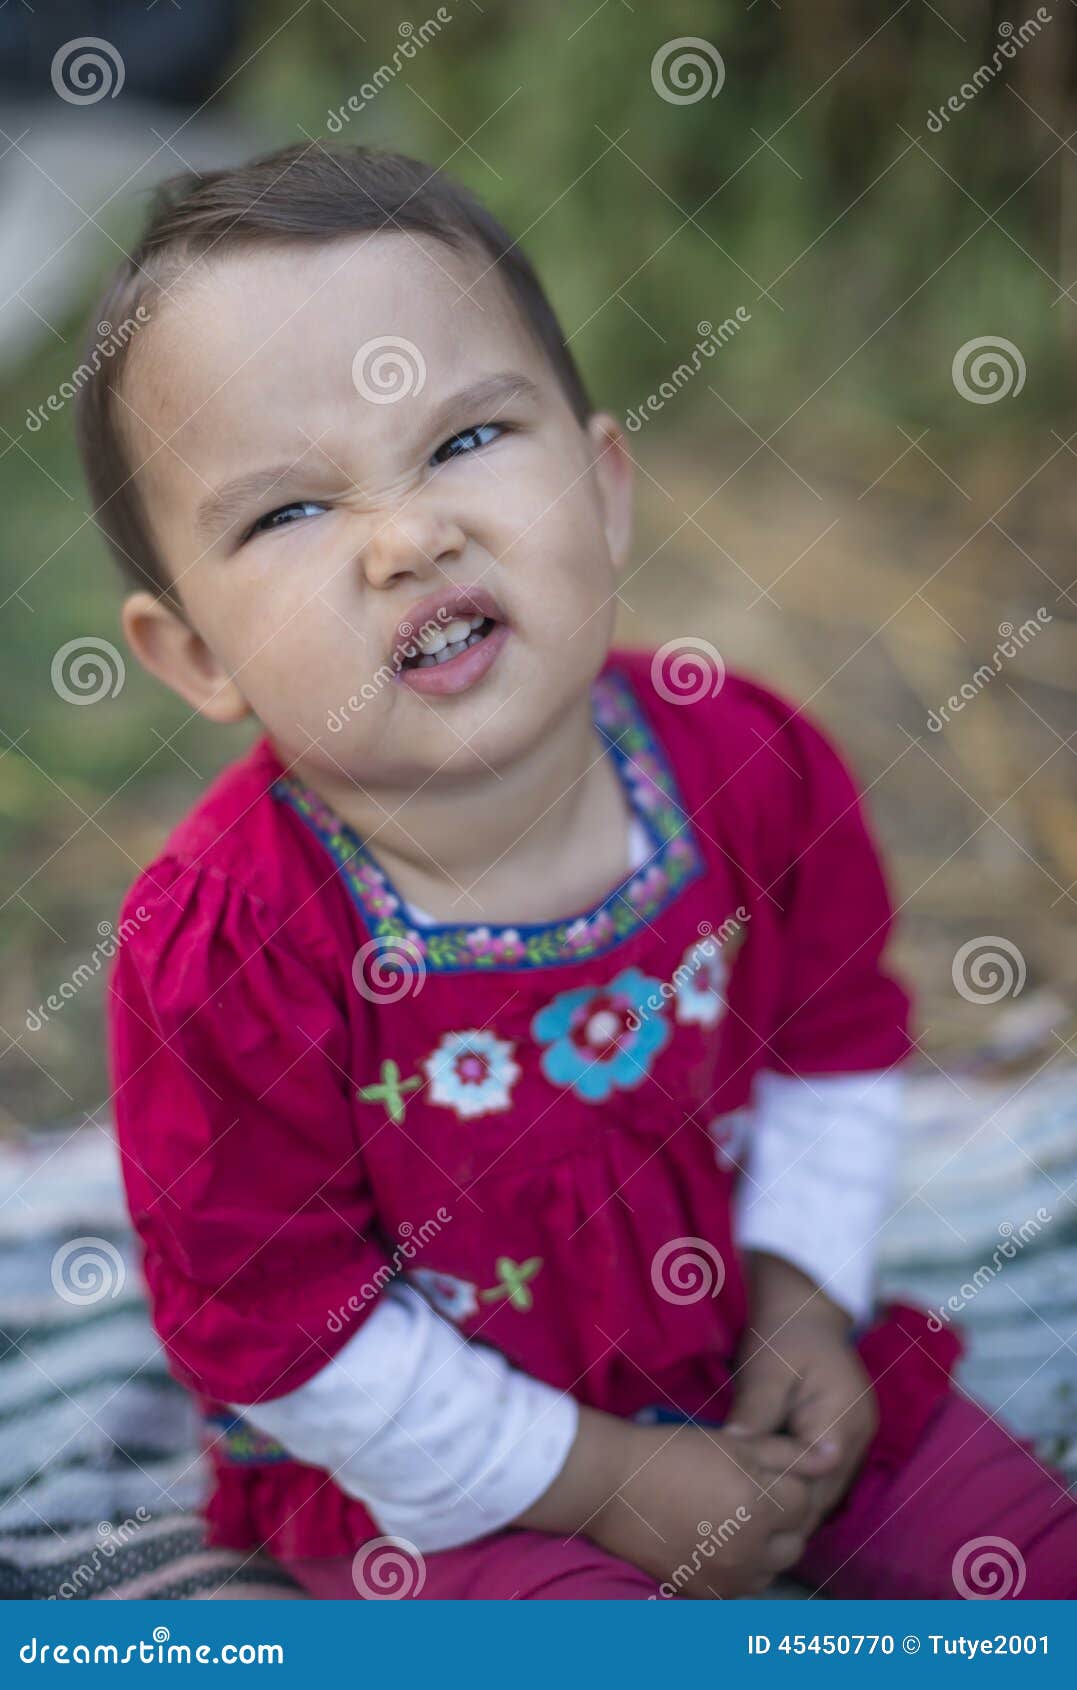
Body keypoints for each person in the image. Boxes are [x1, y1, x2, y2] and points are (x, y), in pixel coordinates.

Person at [77, 142, 1077, 1600]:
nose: (409, 537)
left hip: (740, 1342)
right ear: (193, 654)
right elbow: (277, 1318)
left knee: (1030, 1570)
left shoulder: (745, 763)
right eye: (290, 512)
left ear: (604, 489)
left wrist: (802, 1300)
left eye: (466, 438)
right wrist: (597, 1478)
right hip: (437, 1475)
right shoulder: (229, 947)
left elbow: (832, 1045)